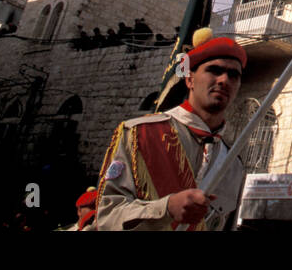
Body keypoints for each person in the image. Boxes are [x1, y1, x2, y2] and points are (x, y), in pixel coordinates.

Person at [96, 28, 247, 231]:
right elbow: (107, 216)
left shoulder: (233, 165)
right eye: (214, 70)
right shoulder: (139, 135)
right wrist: (165, 208)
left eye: (233, 75)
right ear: (190, 79)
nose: (224, 80)